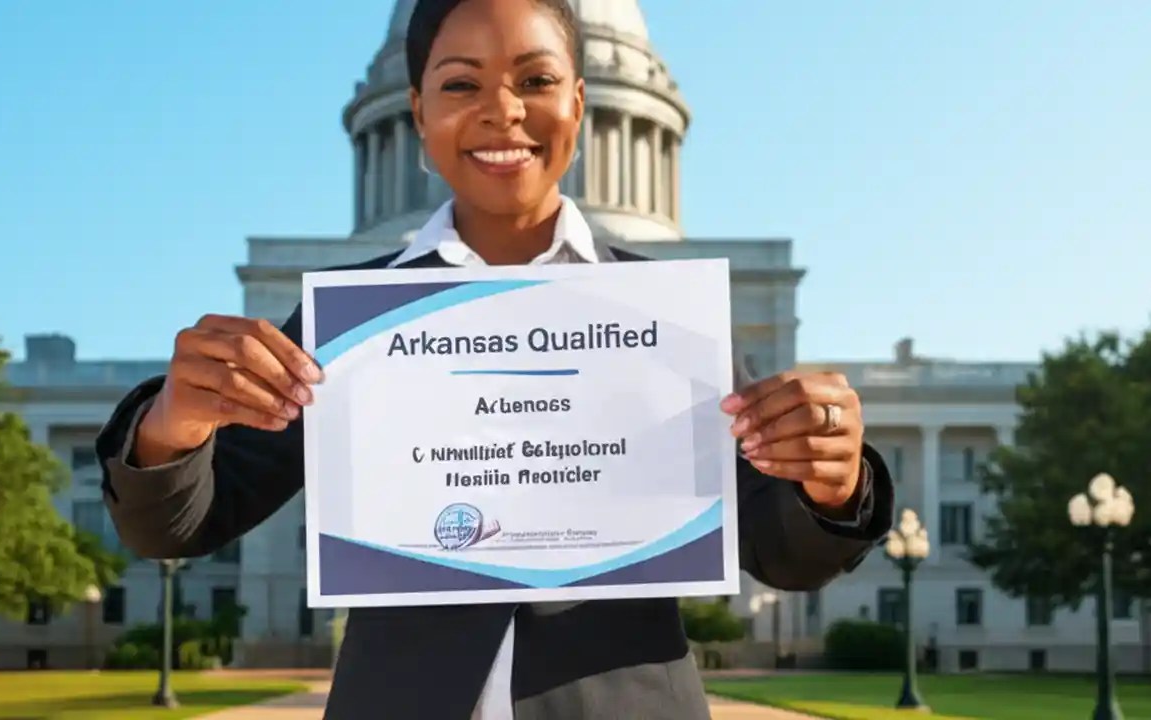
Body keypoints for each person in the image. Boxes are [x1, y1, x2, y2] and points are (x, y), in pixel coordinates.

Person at [95, 0, 895, 718]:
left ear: (581, 105)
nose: (502, 113)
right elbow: (186, 519)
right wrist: (175, 423)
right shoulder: (350, 316)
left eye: (536, 78)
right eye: (460, 84)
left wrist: (832, 482)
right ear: (413, 114)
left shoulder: (670, 314)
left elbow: (777, 547)